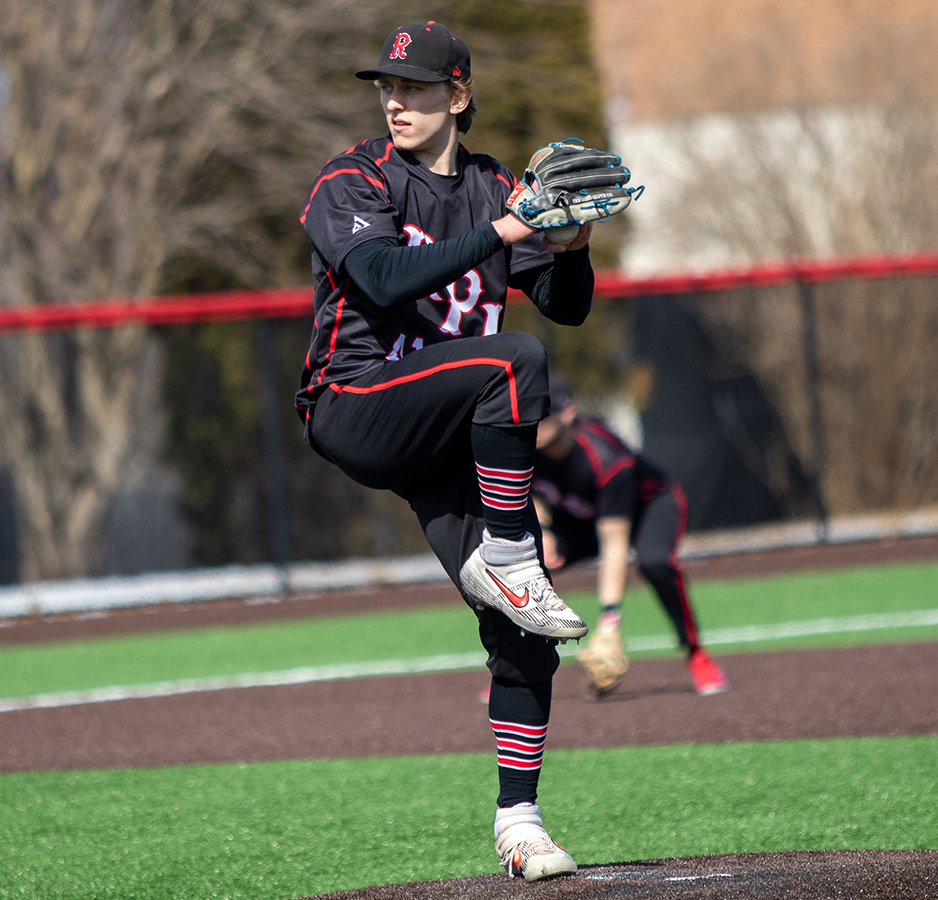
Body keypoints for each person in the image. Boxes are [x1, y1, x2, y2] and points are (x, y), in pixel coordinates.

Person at [295, 21, 604, 882]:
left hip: (451, 432)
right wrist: (507, 231)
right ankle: (508, 553)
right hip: (356, 402)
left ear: (459, 96)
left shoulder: (495, 184)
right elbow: (383, 278)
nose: (395, 101)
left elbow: (567, 304)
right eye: (387, 87)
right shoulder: (353, 177)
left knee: (525, 635)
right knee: (516, 361)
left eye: (415, 87)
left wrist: (573, 246)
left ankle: (520, 823)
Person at [532, 376, 730, 700]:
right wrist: (544, 530)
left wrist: (609, 621)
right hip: (587, 518)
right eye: (530, 414)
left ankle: (696, 653)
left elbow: (614, 543)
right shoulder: (526, 446)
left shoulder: (606, 457)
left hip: (650, 506)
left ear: (568, 412)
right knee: (525, 560)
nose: (536, 423)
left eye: (545, 414)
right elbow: (534, 491)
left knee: (655, 562)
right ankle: (515, 667)